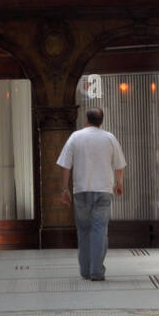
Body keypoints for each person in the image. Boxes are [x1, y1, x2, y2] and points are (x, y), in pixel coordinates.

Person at [56, 107, 126, 280]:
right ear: (101, 121)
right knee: (100, 230)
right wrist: (119, 183)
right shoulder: (109, 138)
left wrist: (65, 189)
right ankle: (96, 271)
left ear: (86, 119)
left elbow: (65, 166)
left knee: (84, 231)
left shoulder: (75, 137)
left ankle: (85, 270)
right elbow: (119, 165)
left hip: (81, 191)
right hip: (103, 191)